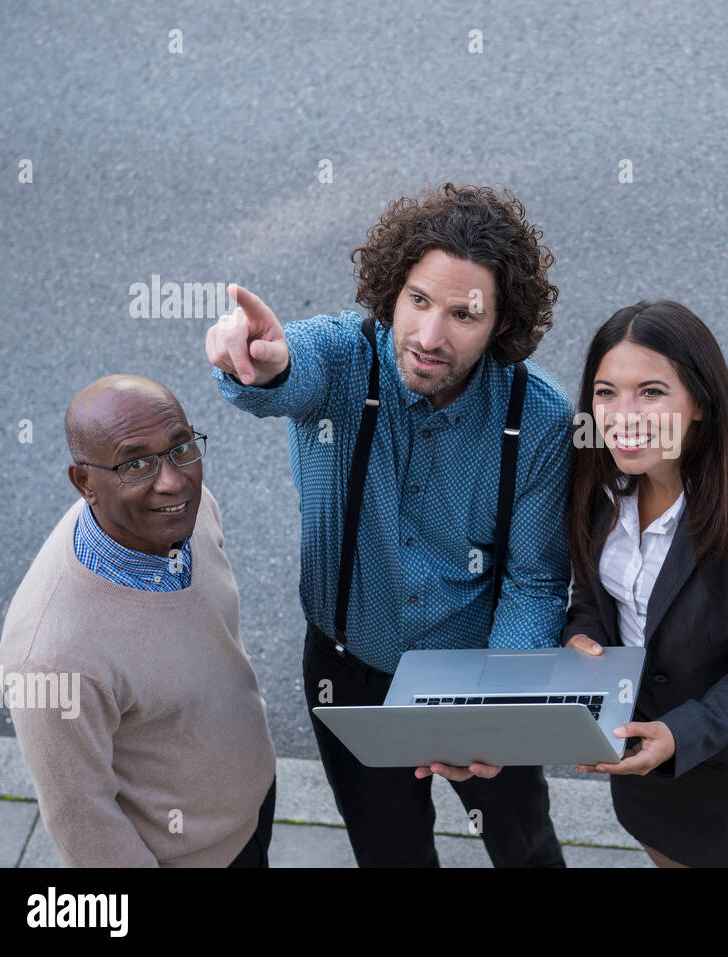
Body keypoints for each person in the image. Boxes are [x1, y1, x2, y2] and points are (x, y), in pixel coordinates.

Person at [205, 183, 573, 867]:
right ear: (392, 293)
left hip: (475, 671)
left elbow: (537, 582)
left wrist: (495, 709)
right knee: (390, 853)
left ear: (502, 322)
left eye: (464, 314)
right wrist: (260, 364)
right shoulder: (347, 357)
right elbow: (289, 364)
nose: (430, 337)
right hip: (350, 673)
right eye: (419, 301)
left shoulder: (543, 418)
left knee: (525, 845)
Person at [562, 300, 728, 867]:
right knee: (665, 853)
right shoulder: (598, 481)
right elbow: (592, 598)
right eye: (606, 392)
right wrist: (581, 642)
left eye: (651, 393)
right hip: (638, 740)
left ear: (701, 402)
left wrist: (680, 734)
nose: (623, 415)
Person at [0, 375, 277, 867]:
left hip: (252, 806)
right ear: (86, 483)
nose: (174, 481)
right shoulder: (51, 658)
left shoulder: (187, 513)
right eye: (136, 464)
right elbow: (82, 821)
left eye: (181, 448)